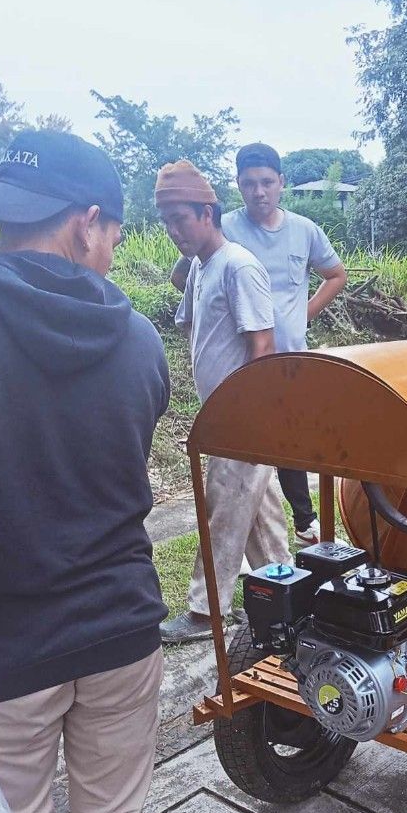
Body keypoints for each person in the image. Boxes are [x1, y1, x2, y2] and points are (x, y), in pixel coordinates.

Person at [0, 129, 186, 813]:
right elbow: (131, 443)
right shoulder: (137, 337)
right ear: (87, 222)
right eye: (113, 231)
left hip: (1, 649)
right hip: (119, 627)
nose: (113, 251)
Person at [172, 142, 347, 547]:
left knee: (288, 440)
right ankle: (280, 536)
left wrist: (302, 314)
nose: (259, 192)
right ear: (238, 185)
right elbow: (185, 276)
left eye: (267, 182)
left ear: (282, 183)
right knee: (254, 448)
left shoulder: (304, 230)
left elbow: (335, 274)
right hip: (244, 363)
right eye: (249, 184)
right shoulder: (224, 228)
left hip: (289, 357)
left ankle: (303, 521)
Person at [156, 160, 292, 645]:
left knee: (223, 511)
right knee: (260, 514)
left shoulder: (239, 265)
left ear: (208, 213)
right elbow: (193, 325)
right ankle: (289, 593)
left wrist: (241, 418)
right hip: (223, 415)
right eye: (167, 222)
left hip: (241, 419)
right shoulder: (201, 266)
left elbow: (262, 346)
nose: (174, 231)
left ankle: (205, 609)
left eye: (182, 220)